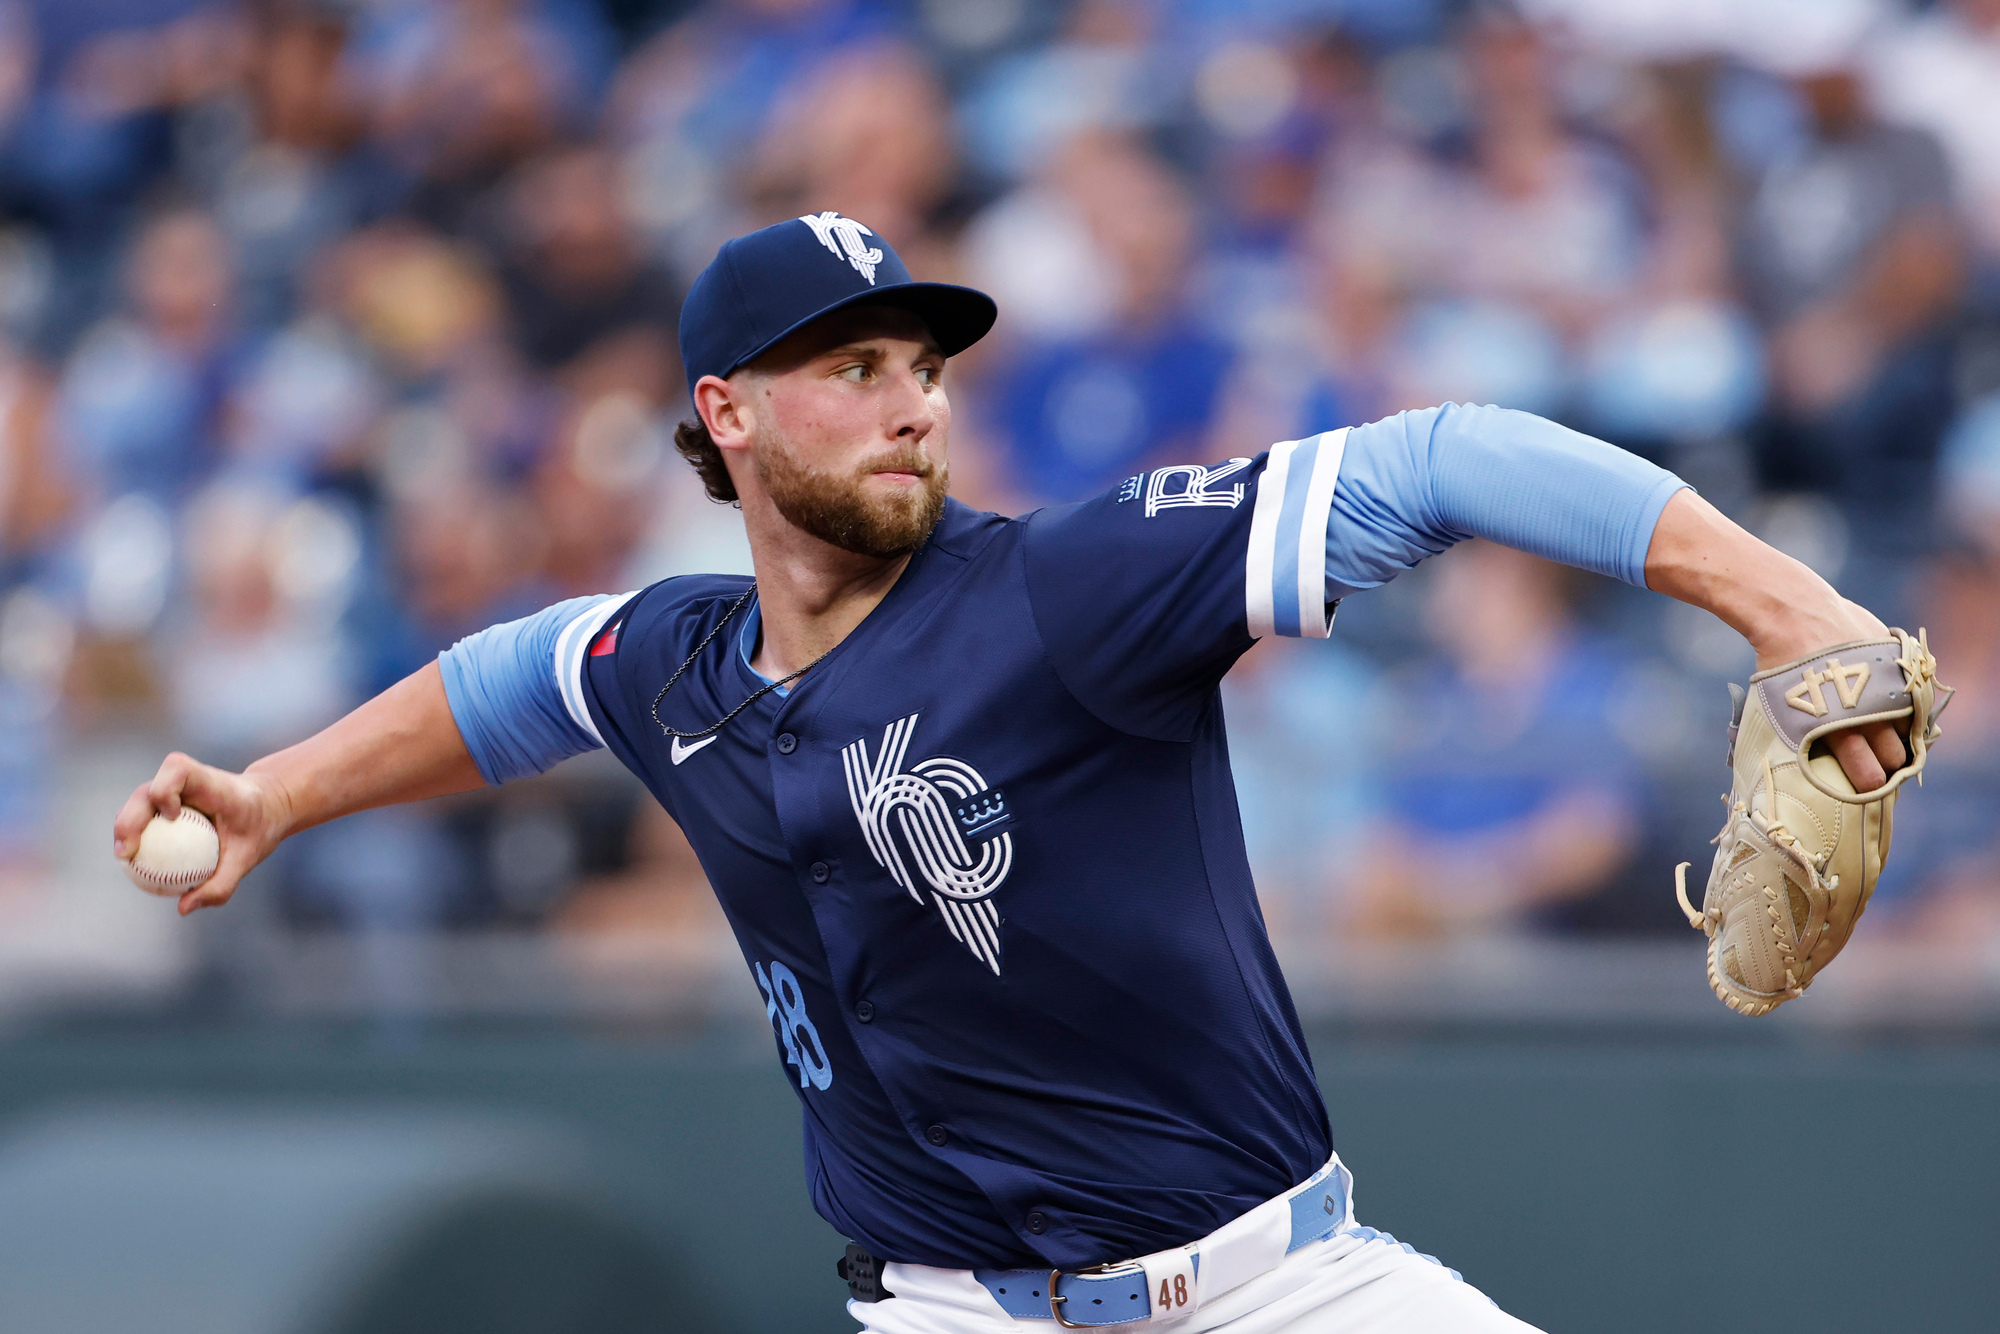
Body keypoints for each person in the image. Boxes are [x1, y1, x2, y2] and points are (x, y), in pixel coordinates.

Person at [114, 213, 1911, 1333]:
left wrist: (1788, 605)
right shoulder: (675, 662)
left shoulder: (1067, 590)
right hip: (946, 1311)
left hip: (1276, 1290)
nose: (915, 399)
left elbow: (1437, 458)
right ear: (728, 413)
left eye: (924, 364)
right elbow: (512, 681)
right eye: (852, 366)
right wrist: (278, 794)